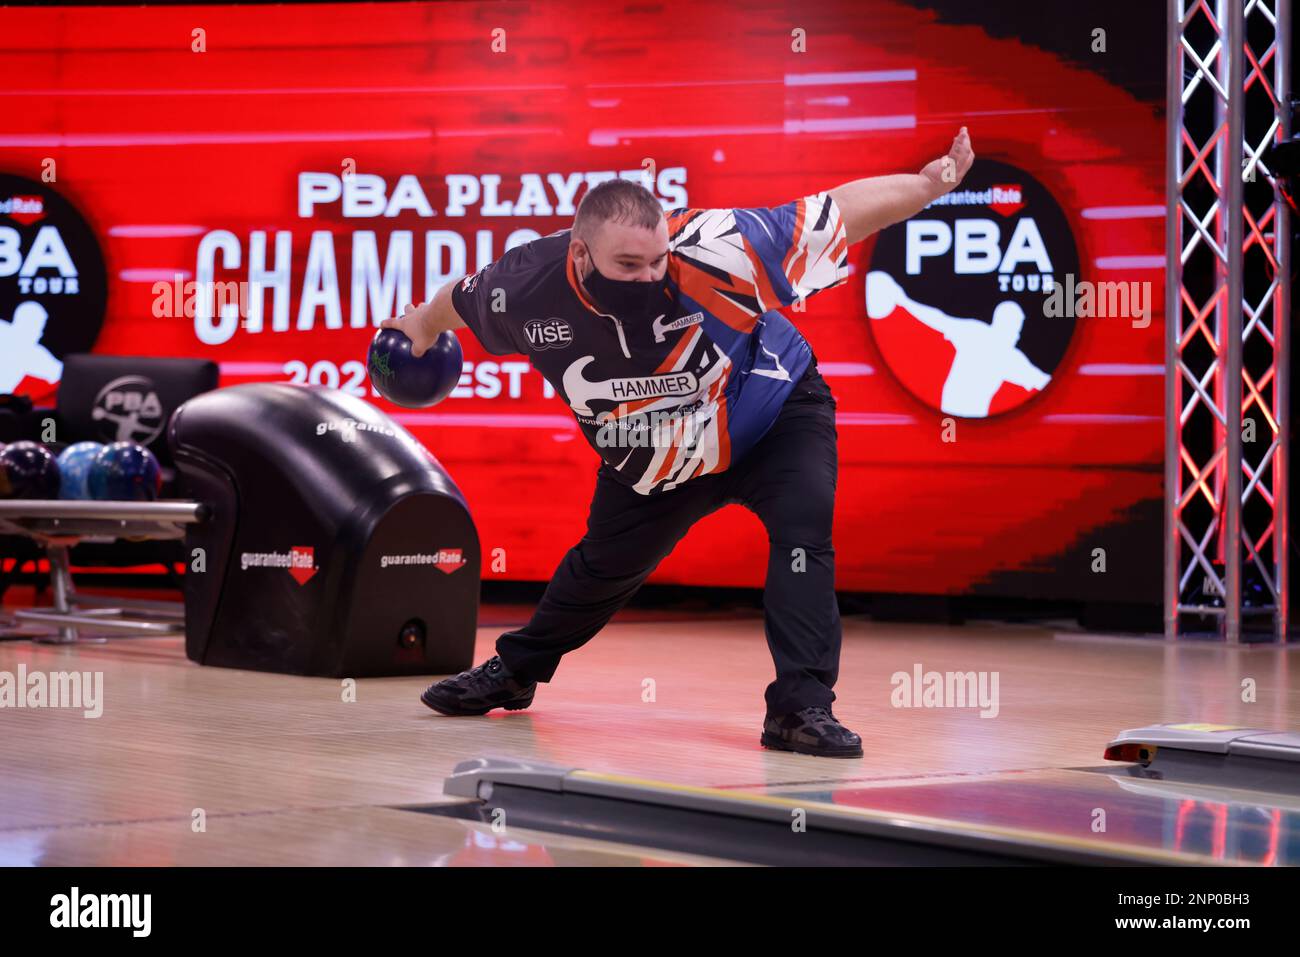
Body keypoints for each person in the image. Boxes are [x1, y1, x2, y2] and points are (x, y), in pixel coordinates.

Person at [384, 128, 975, 757]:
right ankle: (516, 672)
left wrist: (930, 184)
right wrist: (417, 327)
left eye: (657, 261)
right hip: (651, 447)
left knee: (804, 534)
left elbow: (843, 211)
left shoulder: (718, 249)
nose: (648, 278)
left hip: (772, 410)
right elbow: (458, 303)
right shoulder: (524, 286)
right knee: (602, 568)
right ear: (580, 255)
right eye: (628, 266)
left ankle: (801, 709)